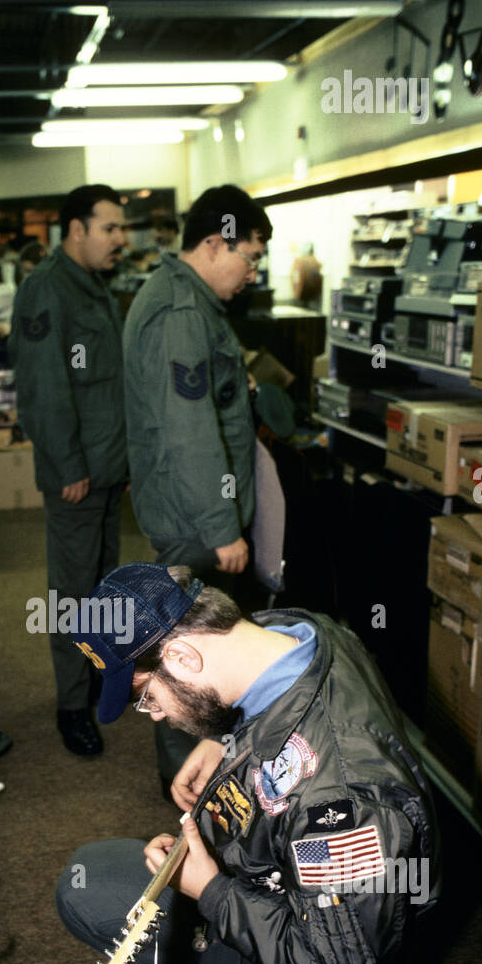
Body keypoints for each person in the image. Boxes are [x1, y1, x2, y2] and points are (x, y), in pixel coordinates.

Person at [56, 561, 438, 964]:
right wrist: (228, 739)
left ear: (184, 655)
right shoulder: (296, 630)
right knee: (86, 884)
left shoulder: (342, 796)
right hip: (263, 894)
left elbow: (338, 958)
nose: (155, 715)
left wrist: (207, 889)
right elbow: (272, 721)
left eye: (148, 697)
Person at [123, 184, 273, 787]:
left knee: (191, 638)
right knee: (191, 651)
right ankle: (191, 785)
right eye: (249, 257)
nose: (253, 272)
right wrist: (221, 528)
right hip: (195, 515)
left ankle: (199, 777)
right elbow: (189, 432)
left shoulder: (187, 300)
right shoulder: (182, 312)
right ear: (214, 244)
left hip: (189, 503)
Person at [9, 184, 127, 757]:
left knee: (103, 584)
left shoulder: (94, 285)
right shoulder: (46, 289)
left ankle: (99, 675)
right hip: (77, 474)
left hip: (107, 467)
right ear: (76, 230)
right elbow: (41, 388)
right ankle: (71, 705)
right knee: (73, 594)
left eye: (121, 228)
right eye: (110, 228)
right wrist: (68, 465)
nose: (120, 239)